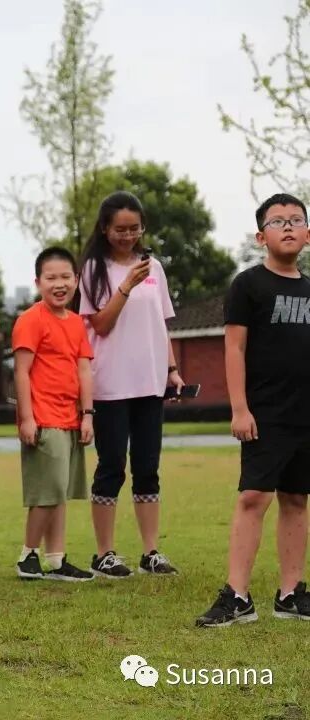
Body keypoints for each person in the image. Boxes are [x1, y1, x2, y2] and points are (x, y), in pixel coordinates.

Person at [196, 193, 310, 627]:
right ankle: (238, 596)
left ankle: (291, 594)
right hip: (265, 414)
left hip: (306, 416)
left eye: (296, 220)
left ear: (307, 235)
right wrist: (240, 408)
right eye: (277, 221)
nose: (287, 226)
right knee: (253, 497)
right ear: (261, 235)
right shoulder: (248, 285)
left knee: (297, 498)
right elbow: (234, 347)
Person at [77, 191, 182, 578]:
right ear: (105, 229)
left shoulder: (153, 265)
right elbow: (99, 325)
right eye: (120, 229)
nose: (127, 235)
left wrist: (171, 369)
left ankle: (151, 550)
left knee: (148, 467)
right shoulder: (93, 269)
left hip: (149, 381)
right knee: (111, 466)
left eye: (134, 228)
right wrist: (126, 287)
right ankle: (104, 553)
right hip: (110, 384)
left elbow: (162, 324)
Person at [12, 247, 96, 582]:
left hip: (70, 419)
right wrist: (27, 418)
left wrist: (87, 415)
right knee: (46, 493)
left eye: (65, 277)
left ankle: (57, 559)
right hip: (43, 419)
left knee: (60, 491)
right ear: (38, 282)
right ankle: (28, 555)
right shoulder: (30, 320)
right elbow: (21, 373)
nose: (59, 284)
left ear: (76, 280)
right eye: (51, 278)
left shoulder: (76, 323)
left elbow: (84, 371)